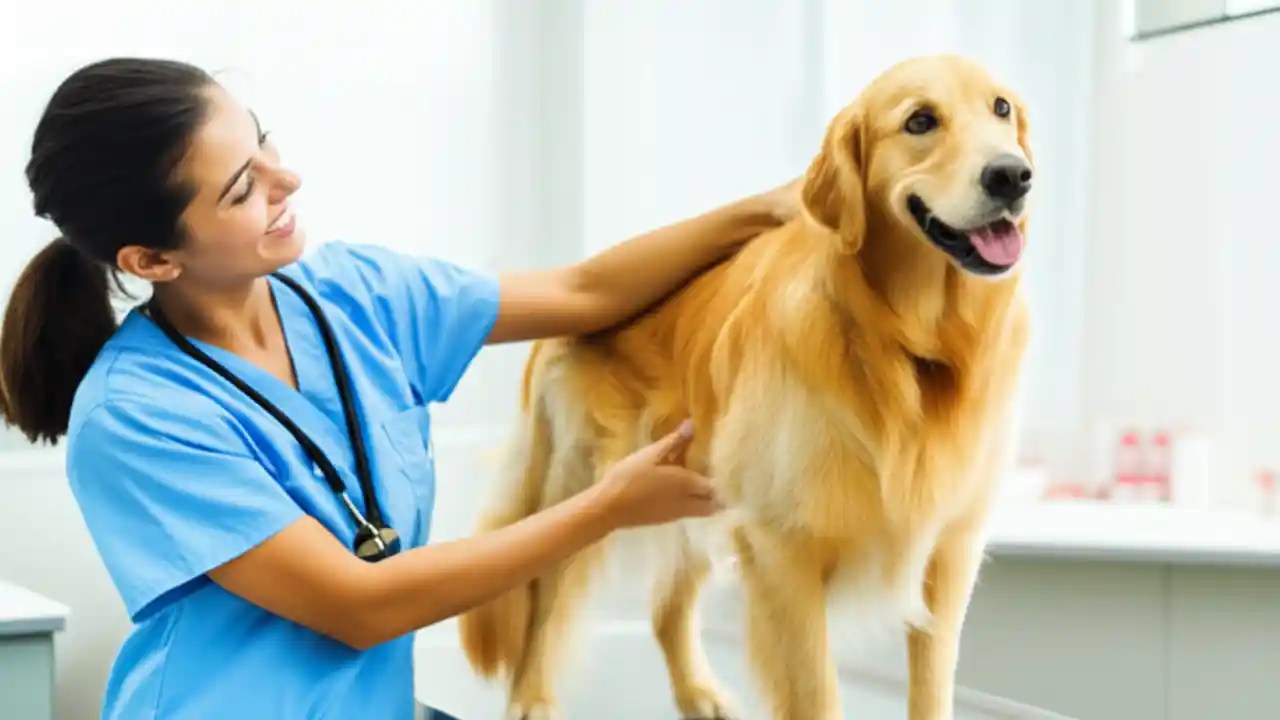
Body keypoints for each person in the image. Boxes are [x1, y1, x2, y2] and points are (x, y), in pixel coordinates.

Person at [0, 57, 798, 719]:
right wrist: (606, 508)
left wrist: (765, 211)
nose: (288, 178)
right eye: (243, 188)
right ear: (150, 260)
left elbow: (587, 293)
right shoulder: (135, 416)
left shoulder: (358, 294)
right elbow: (360, 605)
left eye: (264, 139)